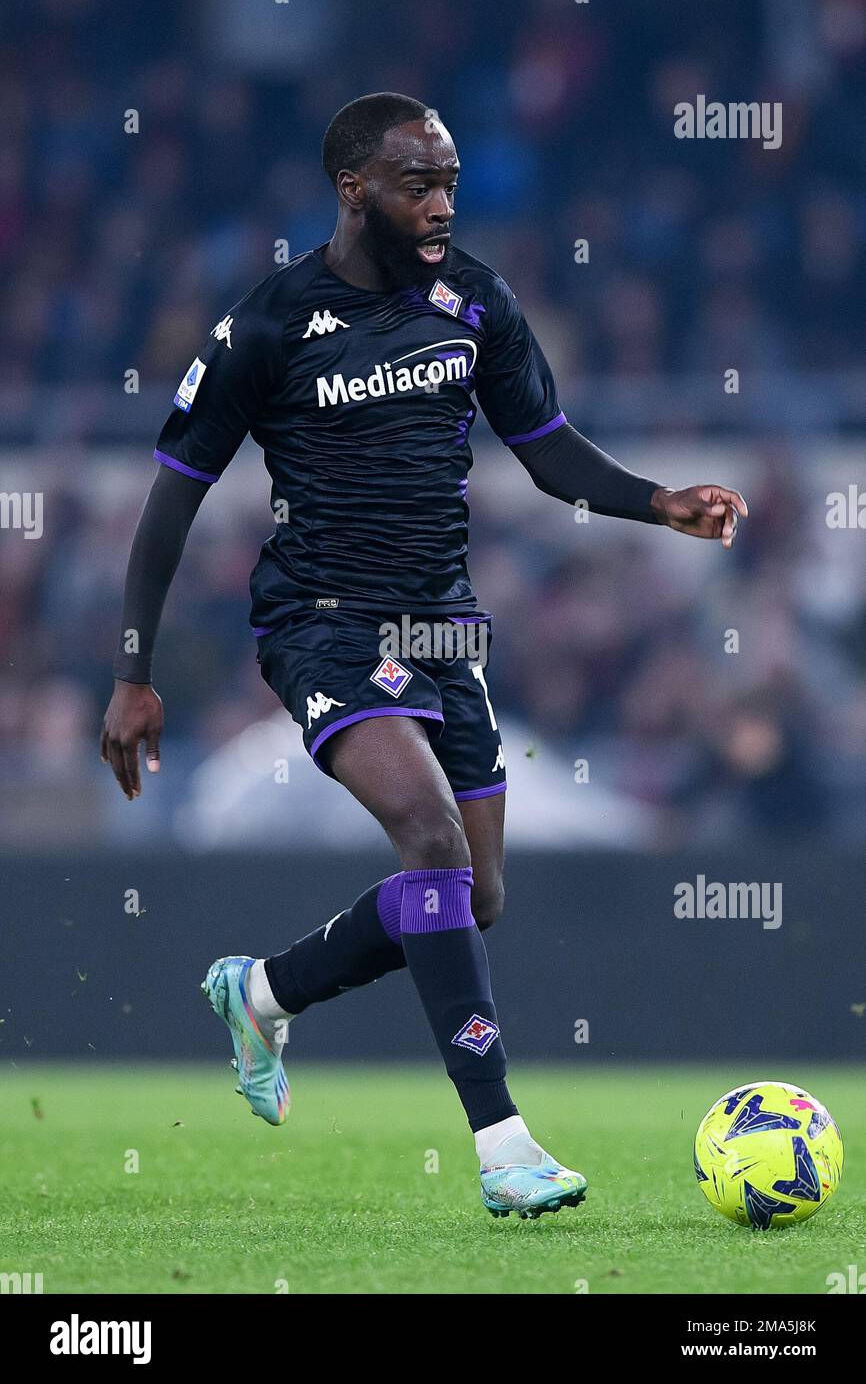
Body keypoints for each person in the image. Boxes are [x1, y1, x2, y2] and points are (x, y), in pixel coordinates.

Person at [102, 93, 747, 1219]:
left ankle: (261, 992)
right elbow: (171, 503)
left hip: (443, 628)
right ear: (354, 188)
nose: (441, 201)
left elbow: (545, 452)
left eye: (448, 179)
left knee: (470, 892)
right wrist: (131, 669)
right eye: (417, 183)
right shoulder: (267, 324)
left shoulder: (473, 300)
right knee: (431, 838)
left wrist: (659, 503)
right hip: (322, 620)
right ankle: (503, 1148)